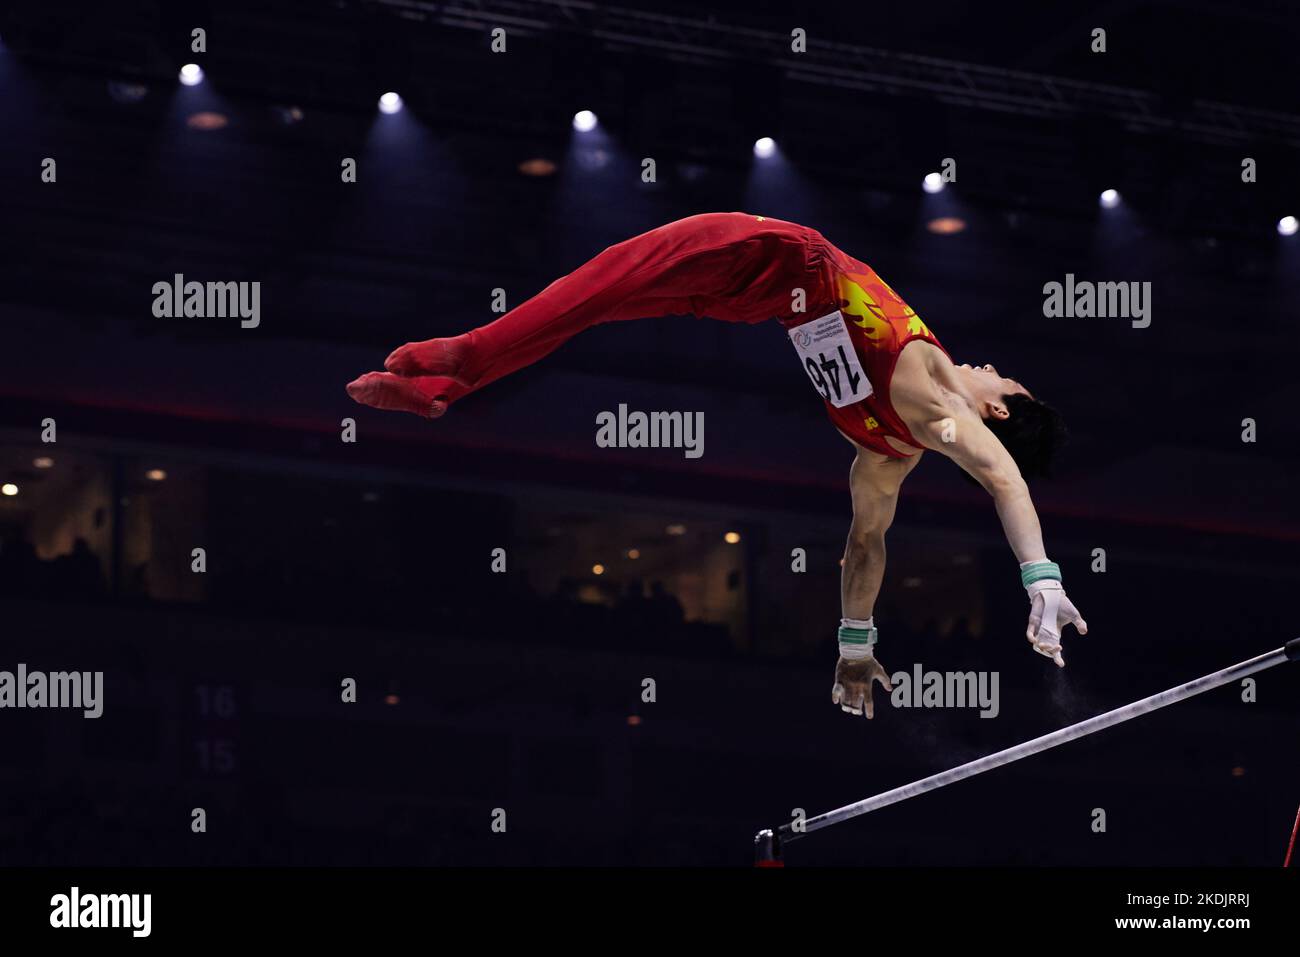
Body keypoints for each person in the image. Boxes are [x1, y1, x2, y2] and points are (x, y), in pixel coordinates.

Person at [346, 212, 1088, 717]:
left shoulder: (943, 401)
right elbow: (865, 547)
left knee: (607, 280)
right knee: (600, 298)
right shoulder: (885, 453)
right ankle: (449, 377)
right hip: (754, 297)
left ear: (996, 412)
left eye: (1005, 381)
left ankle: (457, 364)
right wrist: (854, 645)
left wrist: (1041, 577)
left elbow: (1003, 478)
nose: (991, 364)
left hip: (772, 257)